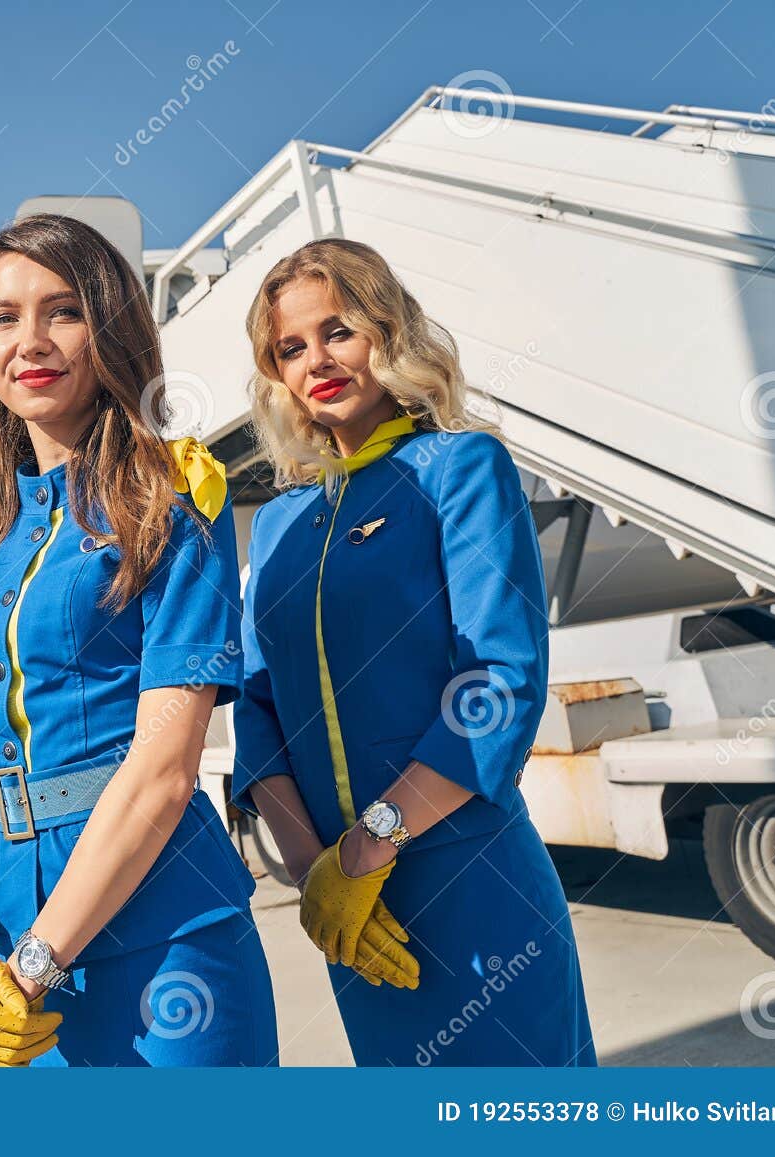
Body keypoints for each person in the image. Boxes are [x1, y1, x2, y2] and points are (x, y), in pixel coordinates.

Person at [232, 238, 595, 1066]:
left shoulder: (463, 466)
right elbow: (255, 705)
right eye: (290, 348)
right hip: (349, 907)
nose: (315, 360)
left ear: (386, 331)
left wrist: (372, 844)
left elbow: (498, 682)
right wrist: (317, 870)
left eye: (337, 331)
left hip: (469, 878)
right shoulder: (285, 522)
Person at [0, 213, 278, 1067]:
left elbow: (162, 772)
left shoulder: (167, 514)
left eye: (64, 310)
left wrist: (36, 964)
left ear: (111, 328)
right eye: (2, 318)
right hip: (12, 964)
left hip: (161, 945)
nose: (30, 340)